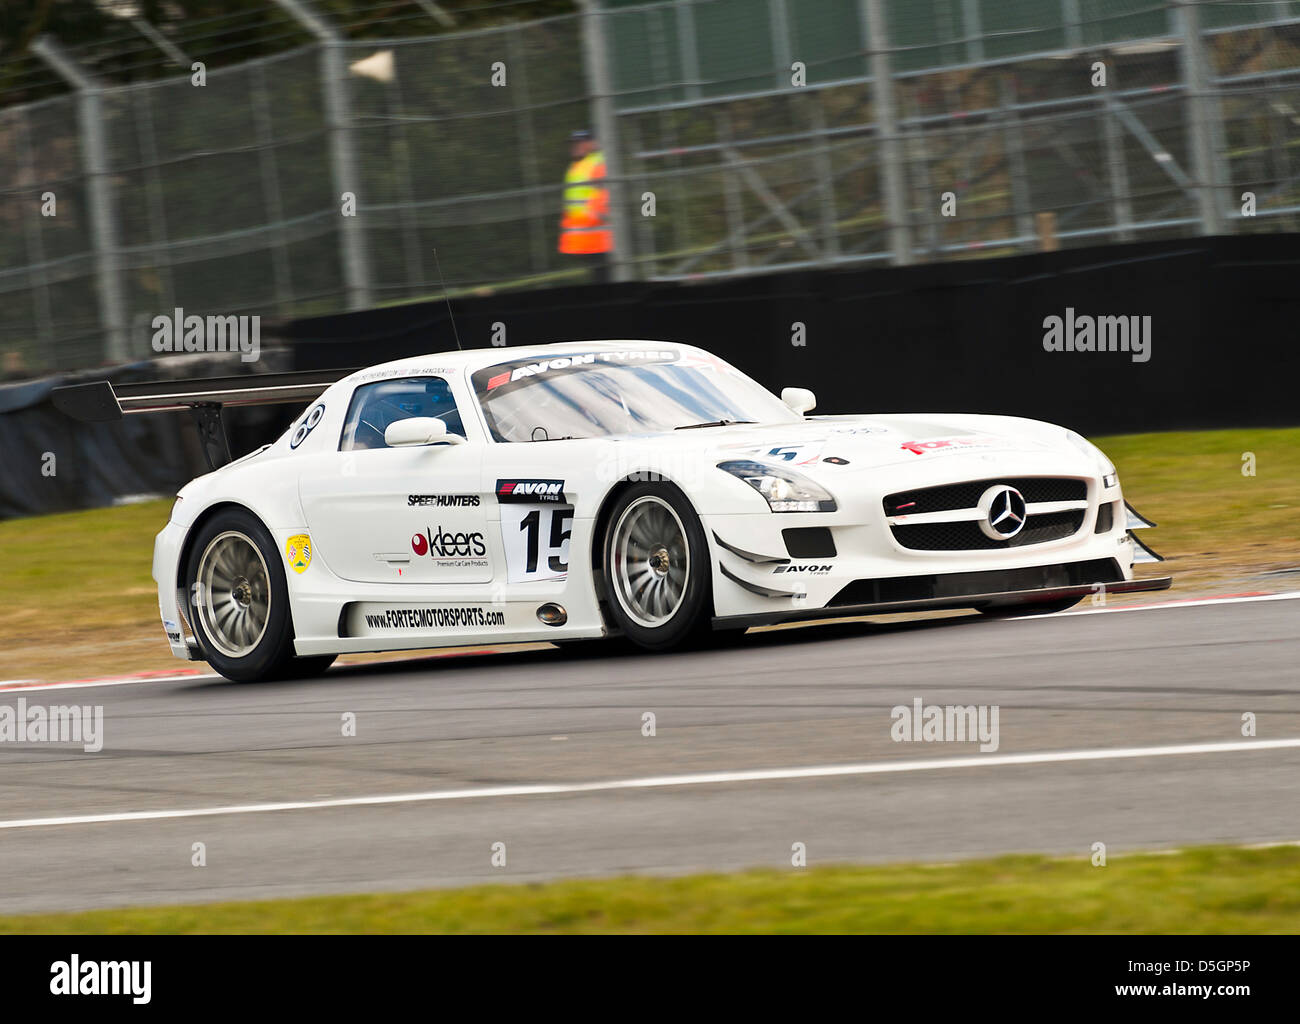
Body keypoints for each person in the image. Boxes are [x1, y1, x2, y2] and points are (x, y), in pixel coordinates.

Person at [558, 129, 612, 283]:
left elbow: (603, 194)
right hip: (587, 238)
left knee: (604, 276)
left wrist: (598, 214)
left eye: (579, 143)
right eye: (573, 143)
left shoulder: (597, 163)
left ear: (592, 143)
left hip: (600, 236)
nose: (575, 146)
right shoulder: (577, 166)